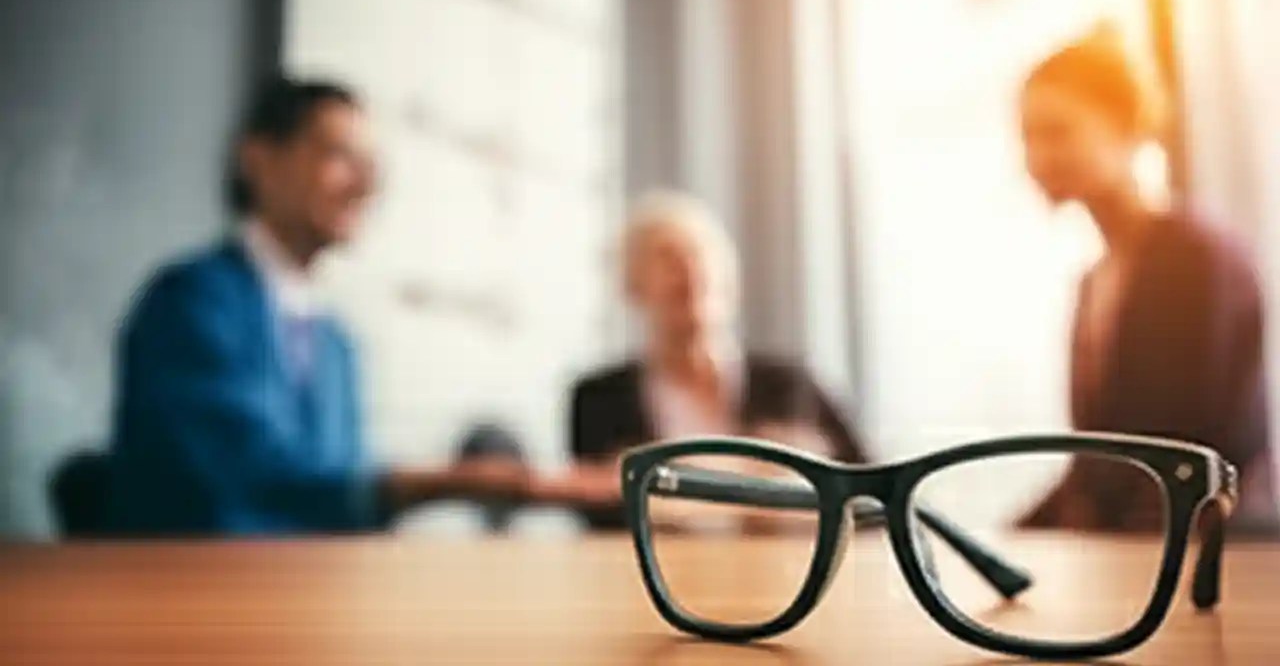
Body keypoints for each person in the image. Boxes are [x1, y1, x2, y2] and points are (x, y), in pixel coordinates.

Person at [107, 77, 527, 536]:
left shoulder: (337, 343)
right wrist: (444, 482)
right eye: (340, 156)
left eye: (371, 166)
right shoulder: (191, 304)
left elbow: (341, 511)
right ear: (260, 160)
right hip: (201, 594)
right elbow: (251, 485)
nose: (367, 186)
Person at [1015, 25, 1277, 531]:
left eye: (1057, 132)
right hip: (1136, 553)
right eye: (1028, 137)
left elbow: (1193, 456)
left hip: (1211, 553)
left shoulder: (1198, 259)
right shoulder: (1095, 280)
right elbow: (1098, 466)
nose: (1038, 157)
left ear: (1125, 125)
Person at [564, 191, 869, 529]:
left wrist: (674, 489)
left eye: (701, 255)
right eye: (667, 257)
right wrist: (763, 483)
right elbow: (600, 511)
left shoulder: (793, 386)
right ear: (631, 284)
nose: (689, 269)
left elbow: (869, 497)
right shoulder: (598, 398)